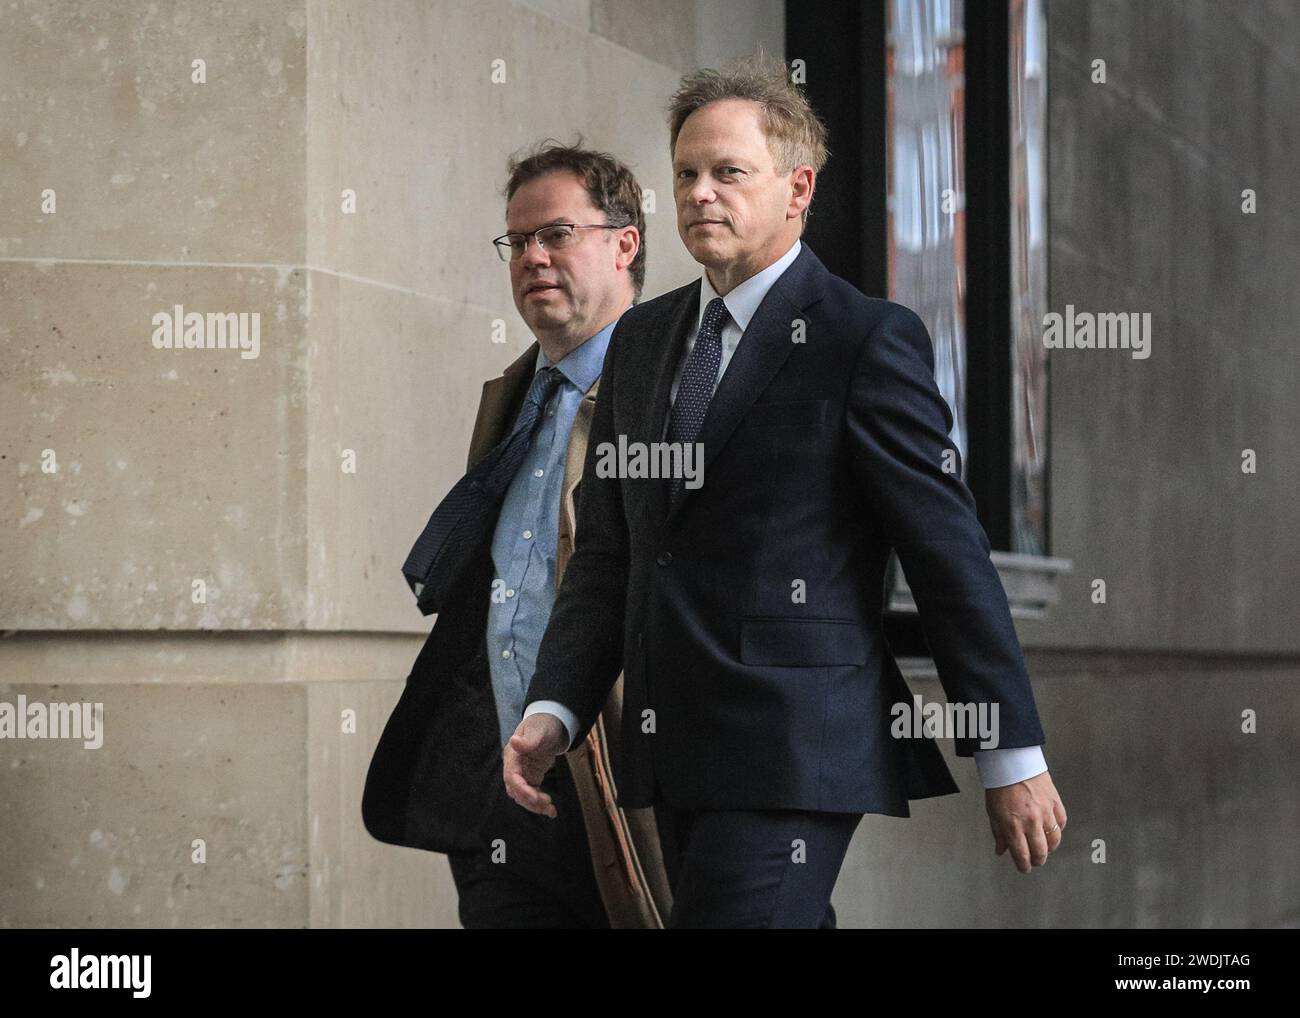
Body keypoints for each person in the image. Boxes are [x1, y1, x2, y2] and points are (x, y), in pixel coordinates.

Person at [504, 56, 1068, 928]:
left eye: (728, 172)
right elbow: (613, 550)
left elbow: (946, 552)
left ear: (797, 187)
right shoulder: (642, 341)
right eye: (687, 173)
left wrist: (1010, 751)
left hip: (794, 744)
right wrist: (558, 702)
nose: (699, 193)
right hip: (669, 742)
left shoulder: (863, 340)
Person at [362, 142, 672, 928]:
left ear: (624, 243)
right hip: (501, 785)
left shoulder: (671, 391)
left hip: (625, 775)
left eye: (556, 234)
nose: (532, 256)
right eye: (518, 241)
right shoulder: (513, 399)